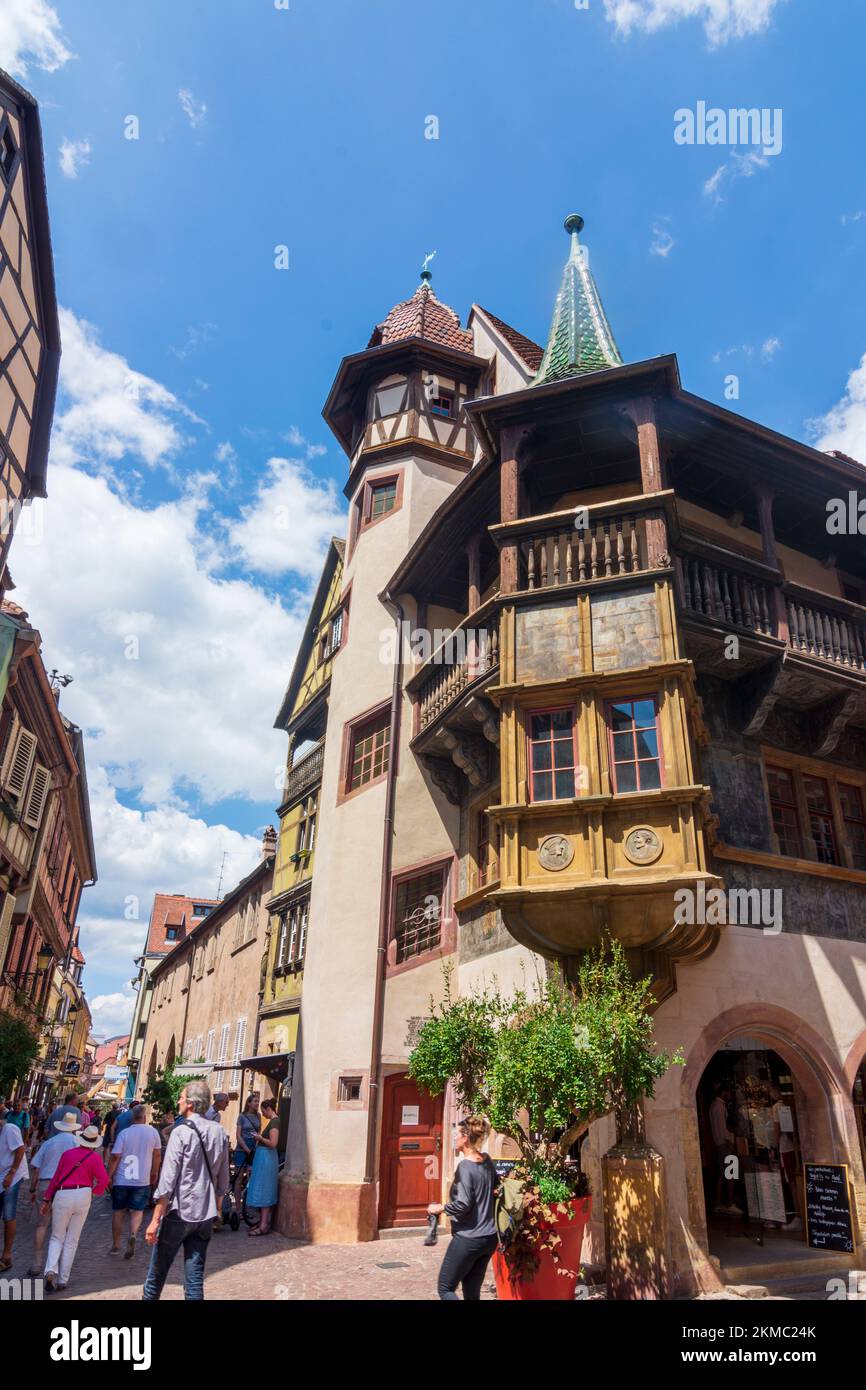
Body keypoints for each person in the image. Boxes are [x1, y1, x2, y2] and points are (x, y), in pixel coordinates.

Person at [142, 1081, 229, 1301]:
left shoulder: (180, 1132)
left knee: (156, 1276)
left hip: (179, 1212)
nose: (178, 1101)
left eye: (181, 1097)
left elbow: (168, 1180)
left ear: (190, 1104)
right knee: (194, 1279)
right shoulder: (219, 1132)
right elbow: (223, 1179)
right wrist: (217, 1208)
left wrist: (154, 1219)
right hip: (205, 1214)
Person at [428, 1115, 500, 1301]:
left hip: (469, 1238)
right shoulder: (487, 1161)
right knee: (471, 1292)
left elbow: (463, 1203)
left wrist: (439, 1208)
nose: (453, 1138)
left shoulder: (466, 1167)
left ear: (465, 1138)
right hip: (489, 1238)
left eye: (456, 1134)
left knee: (445, 1288)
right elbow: (497, 1190)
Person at [41, 1125, 109, 1293]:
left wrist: (46, 1199)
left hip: (64, 1193)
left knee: (57, 1236)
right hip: (83, 1193)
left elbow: (56, 1179)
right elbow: (103, 1180)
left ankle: (50, 1269)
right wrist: (94, 1193)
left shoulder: (67, 1155)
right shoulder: (95, 1158)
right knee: (72, 1239)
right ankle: (63, 1279)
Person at [27, 1112, 80, 1275]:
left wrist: (32, 1189)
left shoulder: (49, 1143)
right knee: (62, 1229)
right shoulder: (77, 1143)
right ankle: (55, 1265)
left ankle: (37, 1263)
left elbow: (36, 1169)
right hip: (67, 1188)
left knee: (42, 1225)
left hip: (45, 1184)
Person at [108, 1104, 162, 1260]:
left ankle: (116, 1245)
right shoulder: (153, 1133)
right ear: (145, 1117)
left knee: (119, 1211)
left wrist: (108, 1175)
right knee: (137, 1211)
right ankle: (132, 1235)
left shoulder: (124, 1133)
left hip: (122, 1179)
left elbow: (115, 1156)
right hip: (141, 1179)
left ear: (133, 1118)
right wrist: (154, 1172)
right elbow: (157, 1155)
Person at [246, 1098, 280, 1236]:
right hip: (264, 1158)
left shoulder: (275, 1121)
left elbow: (273, 1143)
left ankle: (264, 1225)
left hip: (267, 1158)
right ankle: (262, 1223)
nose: (263, 1114)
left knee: (265, 1189)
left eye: (263, 1111)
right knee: (263, 1188)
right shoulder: (273, 1121)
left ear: (268, 1109)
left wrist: (260, 1138)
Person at [0, 1108, 29, 1271]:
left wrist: (11, 1174)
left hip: (14, 1174)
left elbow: (20, 1149)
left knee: (8, 1214)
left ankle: (7, 1255)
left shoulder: (9, 1129)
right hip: (2, 1173)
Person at [710, 1082, 742, 1215]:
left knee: (723, 1174)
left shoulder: (714, 1106)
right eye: (728, 1092)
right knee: (731, 1173)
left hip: (720, 1143)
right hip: (724, 1143)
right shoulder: (719, 1106)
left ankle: (718, 1203)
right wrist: (729, 1141)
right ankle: (729, 1203)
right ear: (724, 1092)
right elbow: (722, 1128)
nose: (730, 1095)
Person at [232, 1095, 260, 1210]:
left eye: (258, 1101)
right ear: (248, 1103)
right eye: (254, 1101)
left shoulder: (258, 1116)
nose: (257, 1103)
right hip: (241, 1149)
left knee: (251, 1177)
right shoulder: (242, 1116)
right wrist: (246, 1149)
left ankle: (248, 1205)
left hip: (253, 1149)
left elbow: (258, 1133)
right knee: (239, 1178)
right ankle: (238, 1206)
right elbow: (238, 1135)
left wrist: (256, 1147)